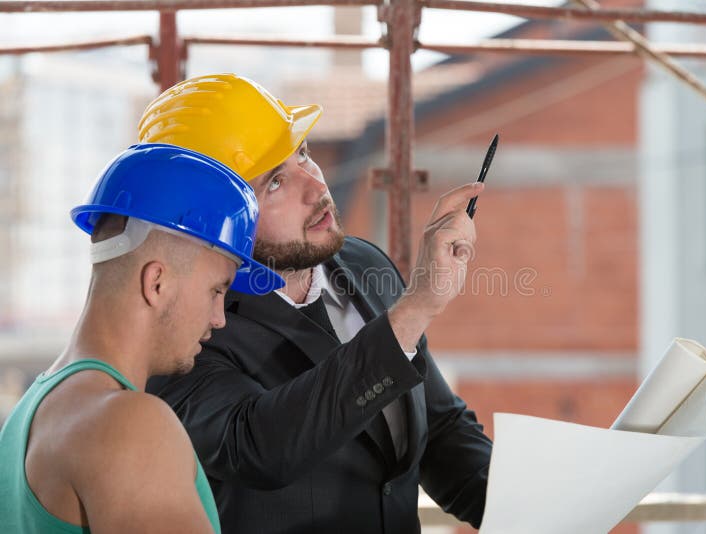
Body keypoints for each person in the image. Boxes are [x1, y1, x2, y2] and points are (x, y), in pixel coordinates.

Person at [141, 73, 493, 533]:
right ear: (215, 220)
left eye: (303, 153)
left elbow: (441, 430)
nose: (315, 186)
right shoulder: (188, 331)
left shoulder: (365, 264)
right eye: (275, 182)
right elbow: (260, 447)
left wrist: (545, 509)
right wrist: (415, 309)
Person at [0, 143, 284, 533]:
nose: (219, 319)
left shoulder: (27, 416)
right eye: (217, 290)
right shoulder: (130, 427)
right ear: (157, 283)